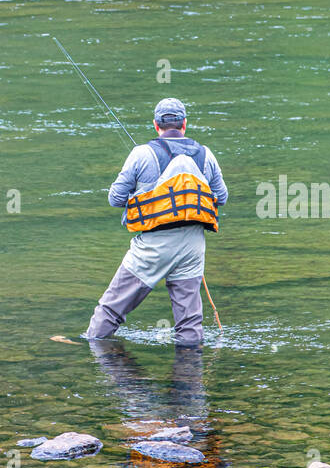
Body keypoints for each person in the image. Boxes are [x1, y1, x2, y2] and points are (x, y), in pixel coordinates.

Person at [84, 97, 227, 344]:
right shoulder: (206, 154)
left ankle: (93, 352)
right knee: (190, 323)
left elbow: (115, 198)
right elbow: (221, 197)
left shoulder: (141, 153)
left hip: (153, 246)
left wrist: (143, 195)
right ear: (185, 124)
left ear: (155, 125)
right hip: (194, 245)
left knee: (111, 308)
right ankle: (190, 377)